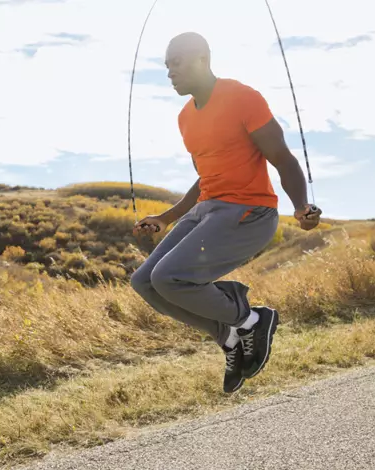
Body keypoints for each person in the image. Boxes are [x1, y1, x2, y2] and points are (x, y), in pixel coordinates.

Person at [131, 31, 322, 394]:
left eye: (177, 63)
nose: (170, 72)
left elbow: (282, 159)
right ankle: (231, 338)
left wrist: (301, 207)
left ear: (202, 59)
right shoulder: (185, 118)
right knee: (144, 281)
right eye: (166, 66)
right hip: (206, 209)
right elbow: (206, 176)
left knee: (169, 276)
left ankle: (252, 319)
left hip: (250, 211)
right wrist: (166, 218)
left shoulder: (243, 98)